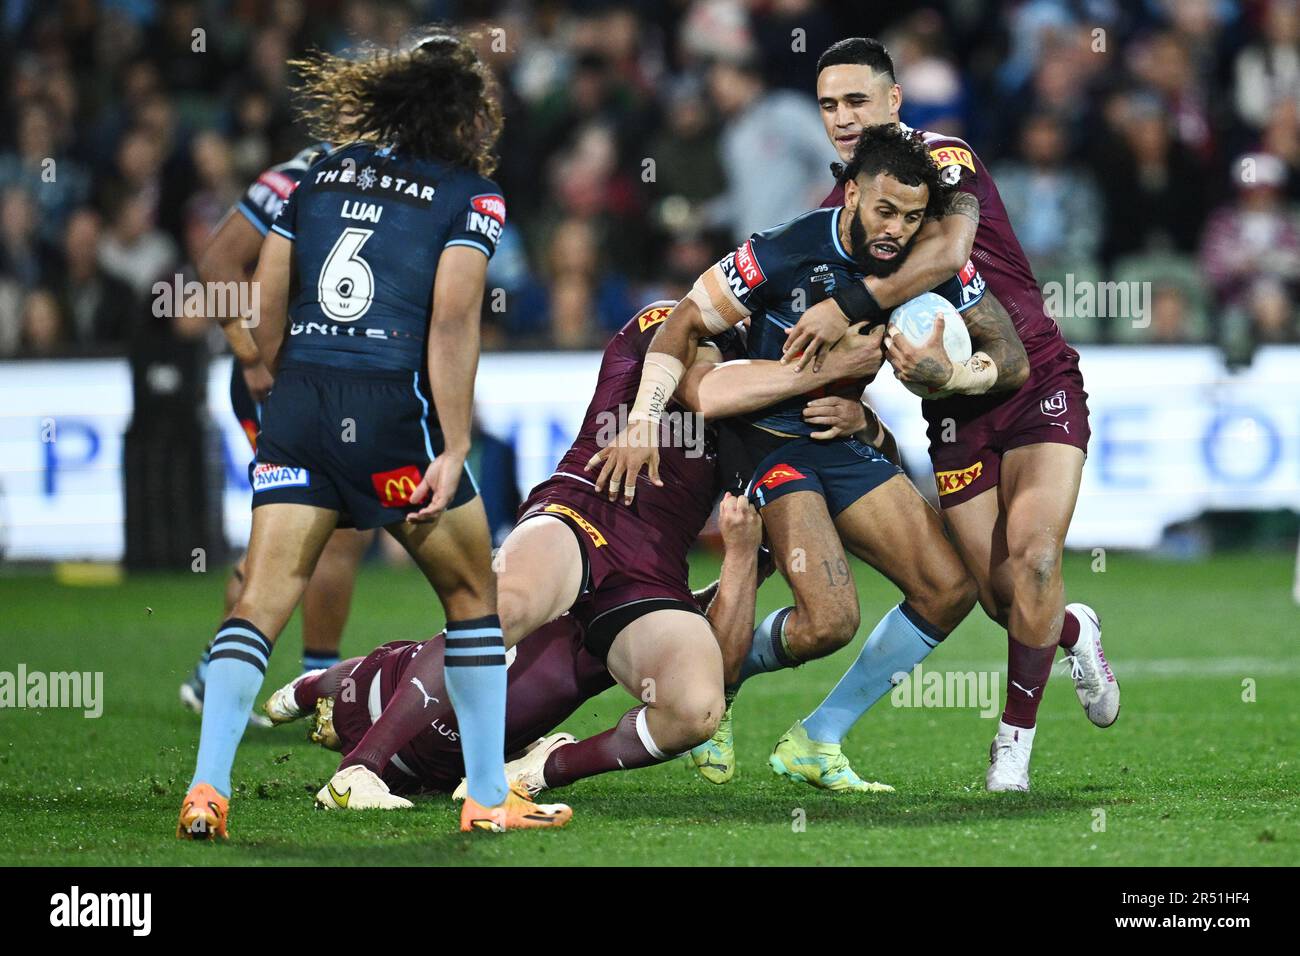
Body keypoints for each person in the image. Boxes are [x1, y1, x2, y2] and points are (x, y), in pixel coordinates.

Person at [176, 31, 562, 839]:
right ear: (466, 116)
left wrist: (273, 378)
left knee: (261, 597)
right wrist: (453, 445)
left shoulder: (314, 176)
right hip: (393, 418)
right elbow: (453, 323)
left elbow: (265, 309)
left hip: (301, 407)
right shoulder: (469, 197)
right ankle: (488, 795)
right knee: (469, 597)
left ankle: (208, 788)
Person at [594, 125, 1034, 792]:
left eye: (913, 216)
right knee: (830, 621)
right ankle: (710, 684)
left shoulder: (923, 263)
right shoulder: (789, 247)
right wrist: (643, 420)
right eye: (884, 210)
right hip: (765, 436)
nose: (896, 230)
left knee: (949, 589)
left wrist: (947, 377)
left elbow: (1011, 360)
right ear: (852, 193)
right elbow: (684, 322)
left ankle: (816, 736)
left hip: (839, 434)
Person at [317, 298, 885, 802]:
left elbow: (868, 475)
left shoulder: (778, 399)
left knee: (696, 708)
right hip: (585, 509)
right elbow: (705, 392)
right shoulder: (674, 323)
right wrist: (829, 369)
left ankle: (540, 770)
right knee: (505, 607)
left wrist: (866, 426)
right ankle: (359, 769)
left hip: (651, 572)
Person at [781, 38, 1119, 792]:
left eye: (857, 101)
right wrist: (856, 399)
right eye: (829, 104)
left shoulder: (945, 156)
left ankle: (1012, 751)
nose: (842, 117)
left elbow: (948, 250)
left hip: (1031, 378)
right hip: (953, 413)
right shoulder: (835, 214)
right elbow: (864, 338)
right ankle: (1074, 630)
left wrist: (846, 304)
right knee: (1006, 601)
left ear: (894, 103)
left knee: (1035, 558)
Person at [262, 493, 765, 800]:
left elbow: (692, 622)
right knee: (393, 668)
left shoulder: (639, 613)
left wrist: (750, 562)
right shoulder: (568, 561)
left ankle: (326, 705)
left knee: (409, 671)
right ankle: (313, 691)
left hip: (434, 761)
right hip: (400, 715)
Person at [177, 142, 376, 725]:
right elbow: (217, 262)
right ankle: (319, 687)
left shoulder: (405, 176)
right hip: (284, 381)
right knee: (322, 530)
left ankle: (221, 670)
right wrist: (249, 357)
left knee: (321, 532)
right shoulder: (299, 174)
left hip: (346, 383)